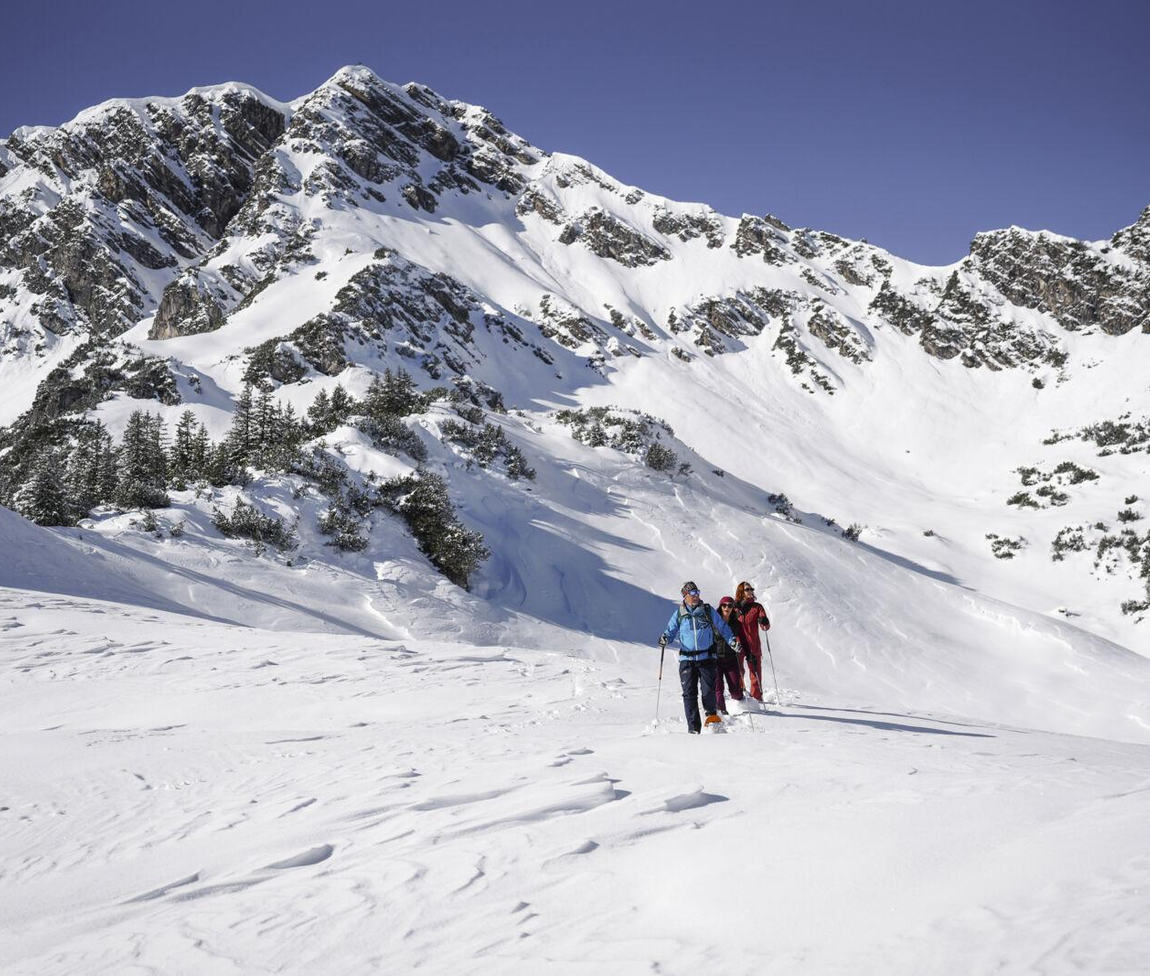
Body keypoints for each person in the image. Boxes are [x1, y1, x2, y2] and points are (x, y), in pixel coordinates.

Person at [659, 581, 741, 733]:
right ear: (685, 596)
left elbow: (723, 627)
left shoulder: (708, 611)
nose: (696, 596)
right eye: (692, 593)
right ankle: (693, 729)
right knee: (689, 694)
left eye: (697, 592)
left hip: (706, 657)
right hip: (687, 660)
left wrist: (732, 641)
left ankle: (711, 717)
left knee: (709, 690)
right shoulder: (679, 614)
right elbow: (670, 631)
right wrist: (665, 638)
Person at [733, 581, 771, 702]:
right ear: (741, 592)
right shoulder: (734, 608)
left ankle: (757, 698)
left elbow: (765, 626)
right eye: (747, 589)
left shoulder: (757, 607)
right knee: (738, 671)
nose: (750, 591)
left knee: (755, 673)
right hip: (738, 644)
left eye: (751, 589)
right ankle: (739, 697)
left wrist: (764, 621)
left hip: (753, 645)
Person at [714, 597, 745, 714]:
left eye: (730, 606)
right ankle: (722, 710)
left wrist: (749, 654)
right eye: (724, 605)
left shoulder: (736, 624)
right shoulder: (714, 622)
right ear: (720, 607)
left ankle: (740, 702)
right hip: (716, 659)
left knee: (736, 690)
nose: (727, 608)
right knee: (718, 688)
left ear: (733, 608)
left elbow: (744, 640)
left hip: (731, 660)